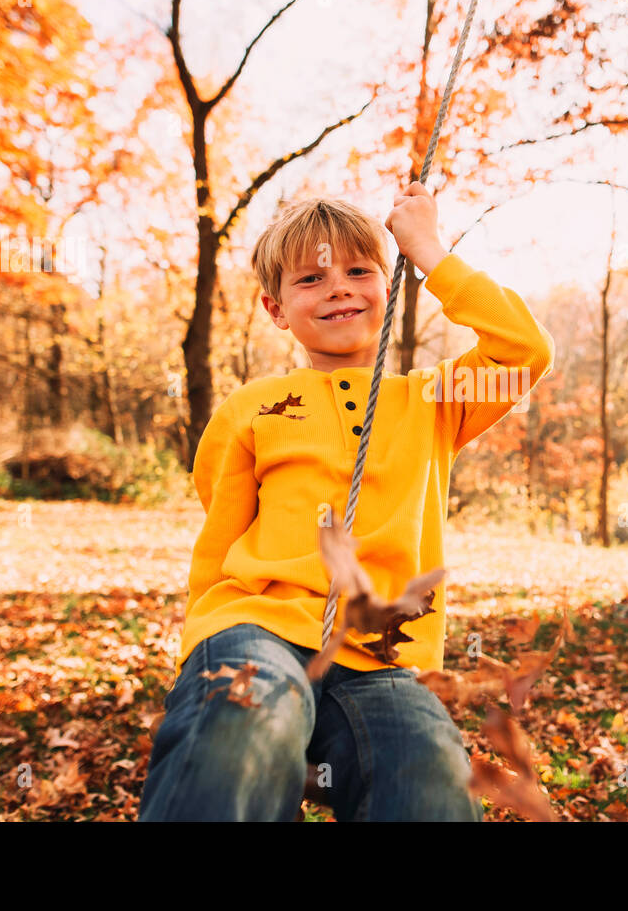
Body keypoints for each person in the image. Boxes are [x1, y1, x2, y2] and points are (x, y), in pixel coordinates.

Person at [137, 181, 554, 821]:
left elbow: (524, 350)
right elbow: (222, 532)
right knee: (238, 732)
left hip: (383, 658)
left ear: (387, 290)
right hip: (258, 630)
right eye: (311, 278)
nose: (339, 287)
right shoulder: (251, 409)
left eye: (360, 270)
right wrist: (206, 645)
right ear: (277, 310)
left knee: (427, 778)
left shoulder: (435, 403)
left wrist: (431, 253)